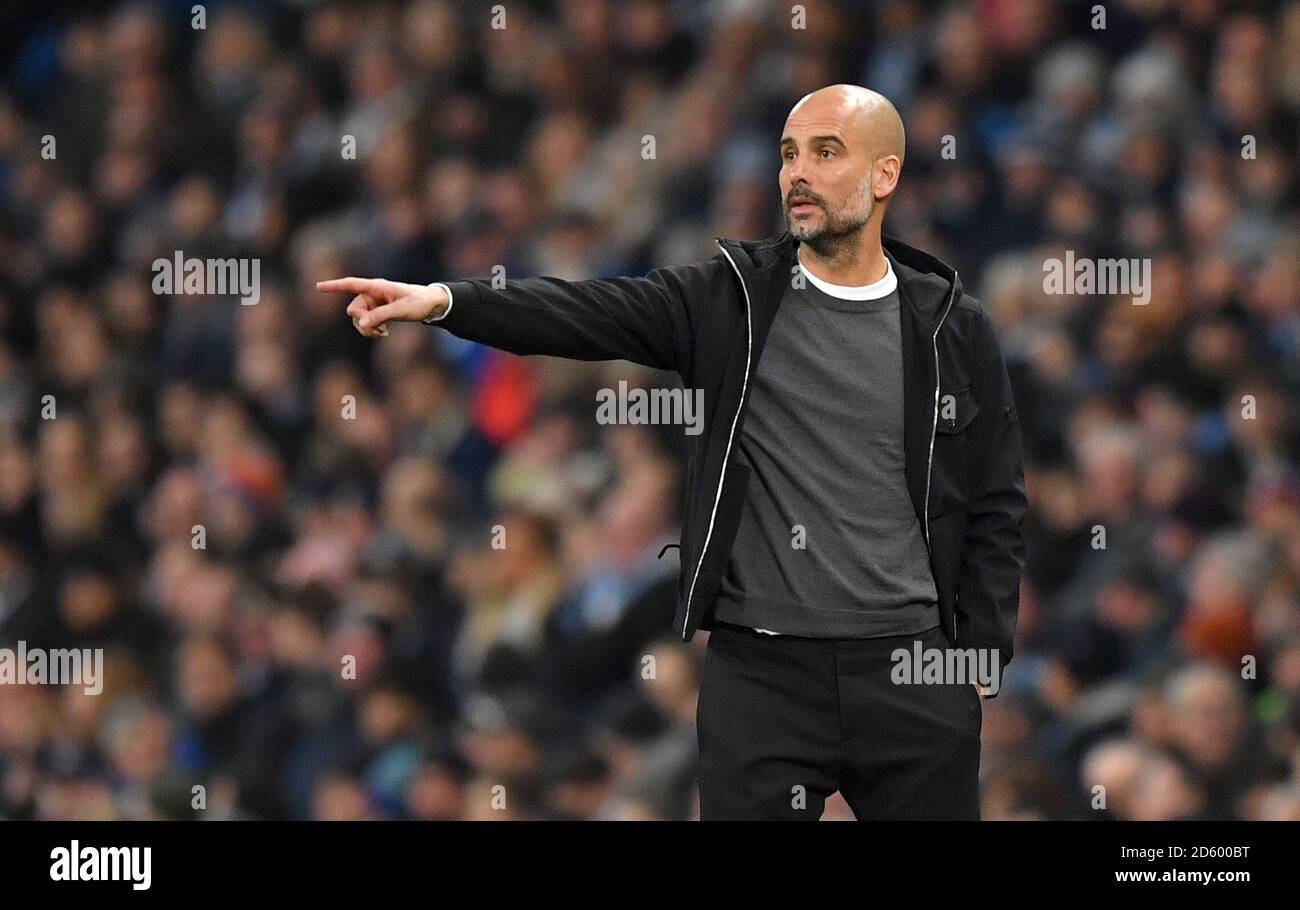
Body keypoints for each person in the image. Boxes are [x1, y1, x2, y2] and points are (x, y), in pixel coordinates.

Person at [318, 84, 1028, 820]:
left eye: (826, 152)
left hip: (911, 667)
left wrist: (979, 653)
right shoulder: (731, 302)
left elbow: (997, 499)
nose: (798, 174)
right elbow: (584, 313)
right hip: (764, 669)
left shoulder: (952, 326)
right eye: (788, 154)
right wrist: (446, 301)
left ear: (885, 175)